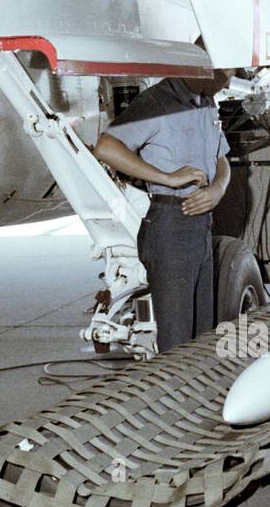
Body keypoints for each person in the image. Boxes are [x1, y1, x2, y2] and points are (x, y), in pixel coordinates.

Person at [92, 50, 233, 353]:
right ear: (202, 69)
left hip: (201, 227)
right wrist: (167, 178)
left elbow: (222, 158)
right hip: (170, 226)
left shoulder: (206, 102)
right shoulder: (157, 102)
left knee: (202, 336)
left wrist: (218, 189)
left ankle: (199, 399)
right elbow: (106, 147)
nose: (226, 83)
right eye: (225, 75)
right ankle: (175, 399)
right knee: (177, 342)